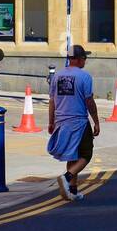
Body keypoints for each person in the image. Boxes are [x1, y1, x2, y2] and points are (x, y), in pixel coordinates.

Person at [47, 45, 100, 202]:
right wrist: (96, 121)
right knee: (85, 154)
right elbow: (89, 101)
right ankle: (67, 177)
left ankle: (72, 190)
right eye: (84, 58)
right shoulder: (85, 77)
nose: (85, 60)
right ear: (77, 59)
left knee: (72, 154)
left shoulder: (57, 76)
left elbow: (52, 101)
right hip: (79, 122)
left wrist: (51, 122)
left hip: (61, 121)